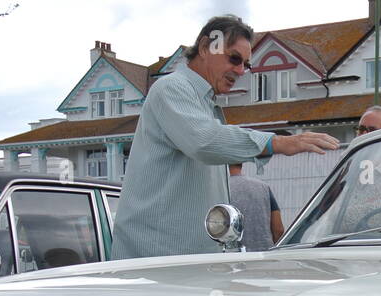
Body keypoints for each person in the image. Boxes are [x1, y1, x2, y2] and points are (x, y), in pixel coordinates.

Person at [110, 15, 338, 259]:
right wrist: (278, 142)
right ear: (206, 48)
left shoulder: (203, 103)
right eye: (234, 59)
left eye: (246, 65)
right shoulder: (171, 88)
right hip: (156, 262)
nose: (241, 71)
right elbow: (204, 142)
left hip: (183, 262)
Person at [227, 163, 283, 250]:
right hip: (264, 256)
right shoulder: (263, 187)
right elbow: (278, 230)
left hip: (231, 258)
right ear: (241, 163)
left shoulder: (219, 189)